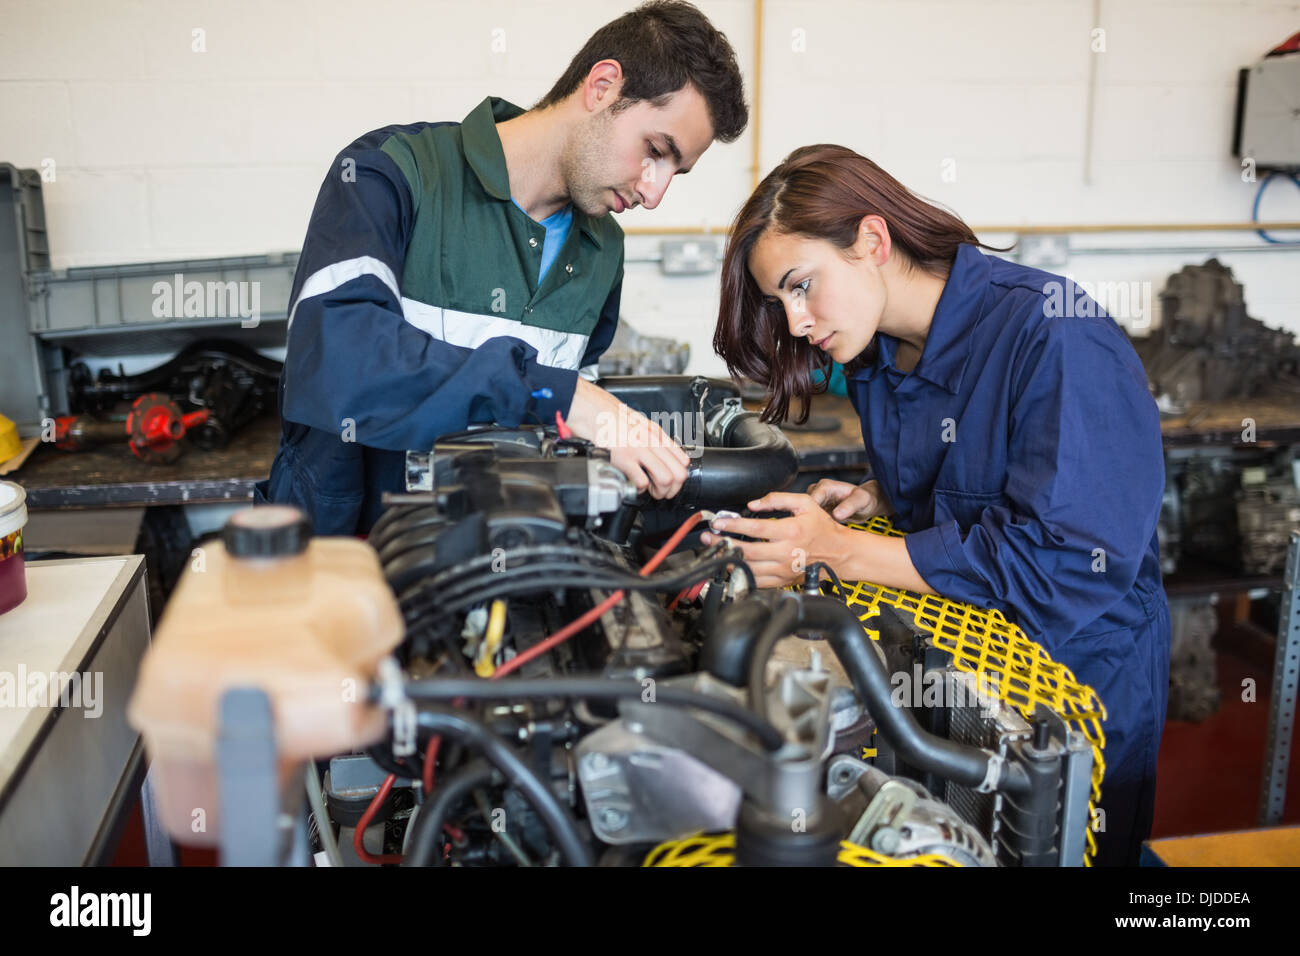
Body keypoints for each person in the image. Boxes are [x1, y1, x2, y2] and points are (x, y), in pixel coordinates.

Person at [703, 144, 1170, 867]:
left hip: (1076, 694)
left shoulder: (1057, 336)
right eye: (779, 302)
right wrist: (876, 494)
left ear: (872, 240)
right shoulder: (880, 355)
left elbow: (1065, 561)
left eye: (801, 286)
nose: (796, 323)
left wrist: (836, 548)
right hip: (959, 669)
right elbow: (972, 463)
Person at [256, 1, 747, 533]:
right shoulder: (393, 173)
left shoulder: (603, 249)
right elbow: (337, 356)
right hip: (349, 564)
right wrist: (561, 396)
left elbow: (565, 446)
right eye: (655, 150)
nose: (654, 193)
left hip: (505, 573)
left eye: (677, 170)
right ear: (603, 86)